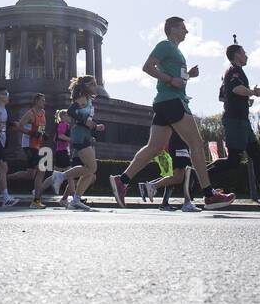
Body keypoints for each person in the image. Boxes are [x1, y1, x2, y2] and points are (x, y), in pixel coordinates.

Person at [109, 17, 234, 210]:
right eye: (183, 28)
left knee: (154, 148)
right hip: (172, 101)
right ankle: (209, 194)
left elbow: (179, 80)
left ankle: (122, 180)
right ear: (173, 28)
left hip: (164, 102)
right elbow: (147, 67)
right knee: (196, 144)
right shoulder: (165, 45)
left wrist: (188, 75)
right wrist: (169, 79)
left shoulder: (176, 51)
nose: (187, 31)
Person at [208, 43, 260, 214]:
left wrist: (245, 97)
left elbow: (222, 96)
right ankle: (199, 176)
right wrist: (252, 92)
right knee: (234, 161)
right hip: (235, 121)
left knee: (257, 157)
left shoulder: (233, 71)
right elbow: (235, 88)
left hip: (242, 121)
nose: (247, 55)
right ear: (236, 55)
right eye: (244, 52)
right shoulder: (234, 70)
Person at [62, 75, 104, 211]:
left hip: (85, 134)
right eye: (92, 84)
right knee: (92, 168)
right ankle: (60, 176)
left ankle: (76, 200)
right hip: (79, 135)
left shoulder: (89, 100)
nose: (95, 86)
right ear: (85, 86)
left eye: (95, 83)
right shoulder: (82, 98)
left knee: (90, 170)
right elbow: (70, 111)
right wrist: (85, 122)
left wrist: (95, 127)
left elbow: (86, 119)